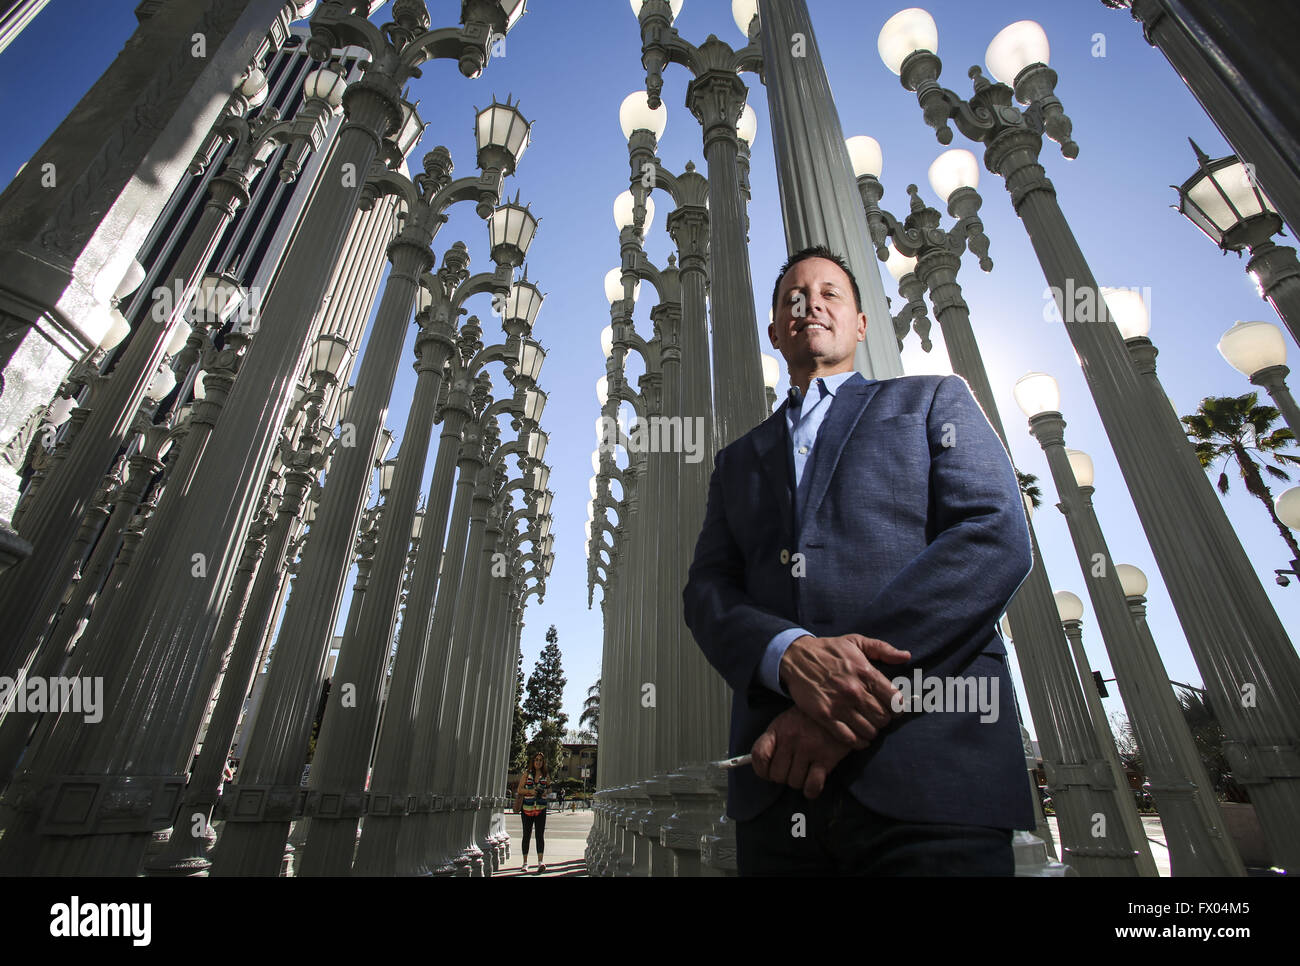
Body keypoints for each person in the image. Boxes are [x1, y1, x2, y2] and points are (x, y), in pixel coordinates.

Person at [683, 245, 1035, 876]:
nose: (809, 303)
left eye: (829, 293)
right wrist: (787, 655)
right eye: (793, 296)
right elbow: (708, 589)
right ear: (773, 331)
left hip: (930, 778)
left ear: (862, 324)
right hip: (780, 791)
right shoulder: (737, 461)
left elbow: (993, 534)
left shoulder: (933, 400)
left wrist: (842, 694)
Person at [514, 752, 549, 874]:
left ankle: (540, 862)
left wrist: (544, 791)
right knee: (526, 835)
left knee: (540, 835)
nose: (538, 762)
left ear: (543, 762)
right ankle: (525, 863)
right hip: (527, 809)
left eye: (540, 760)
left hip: (540, 808)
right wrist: (531, 791)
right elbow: (519, 789)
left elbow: (549, 788)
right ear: (533, 762)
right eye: (536, 760)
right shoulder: (527, 774)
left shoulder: (546, 775)